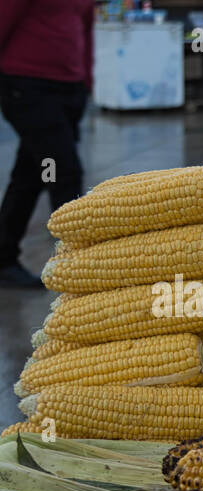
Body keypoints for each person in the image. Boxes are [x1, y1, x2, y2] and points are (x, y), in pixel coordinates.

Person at [0, 0, 95, 289]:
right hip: (26, 85)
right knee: (62, 171)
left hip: (70, 88)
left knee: (30, 175)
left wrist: (86, 81)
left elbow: (85, 29)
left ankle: (2, 258)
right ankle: (78, 267)